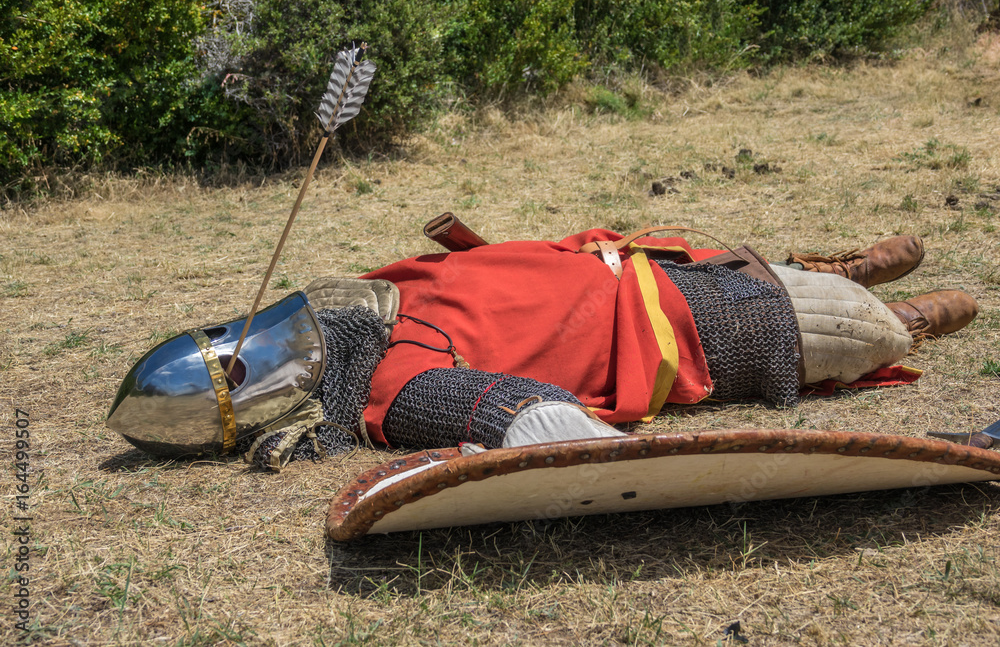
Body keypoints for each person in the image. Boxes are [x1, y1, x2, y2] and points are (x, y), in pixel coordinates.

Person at [106, 224, 978, 470]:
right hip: (697, 326)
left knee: (761, 263)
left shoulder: (379, 291)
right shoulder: (392, 385)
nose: (246, 333)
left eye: (219, 331)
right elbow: (518, 412)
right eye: (233, 362)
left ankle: (855, 262)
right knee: (844, 322)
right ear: (256, 396)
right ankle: (912, 321)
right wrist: (577, 444)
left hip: (646, 261)